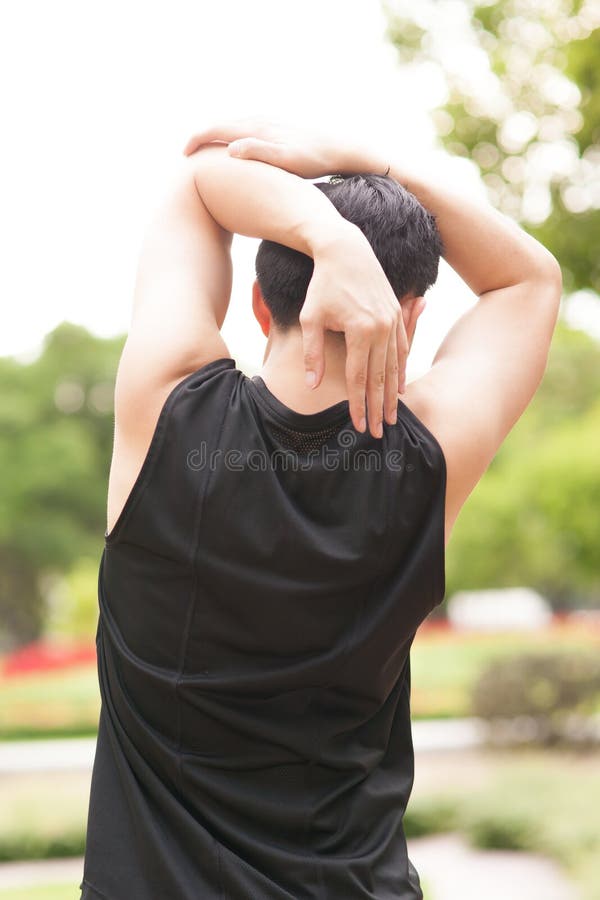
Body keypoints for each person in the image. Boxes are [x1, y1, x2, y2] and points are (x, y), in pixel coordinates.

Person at [79, 117, 562, 900]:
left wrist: (326, 237)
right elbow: (529, 281)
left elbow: (200, 177)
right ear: (409, 319)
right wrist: (373, 163)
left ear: (261, 306)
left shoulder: (164, 404)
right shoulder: (434, 454)